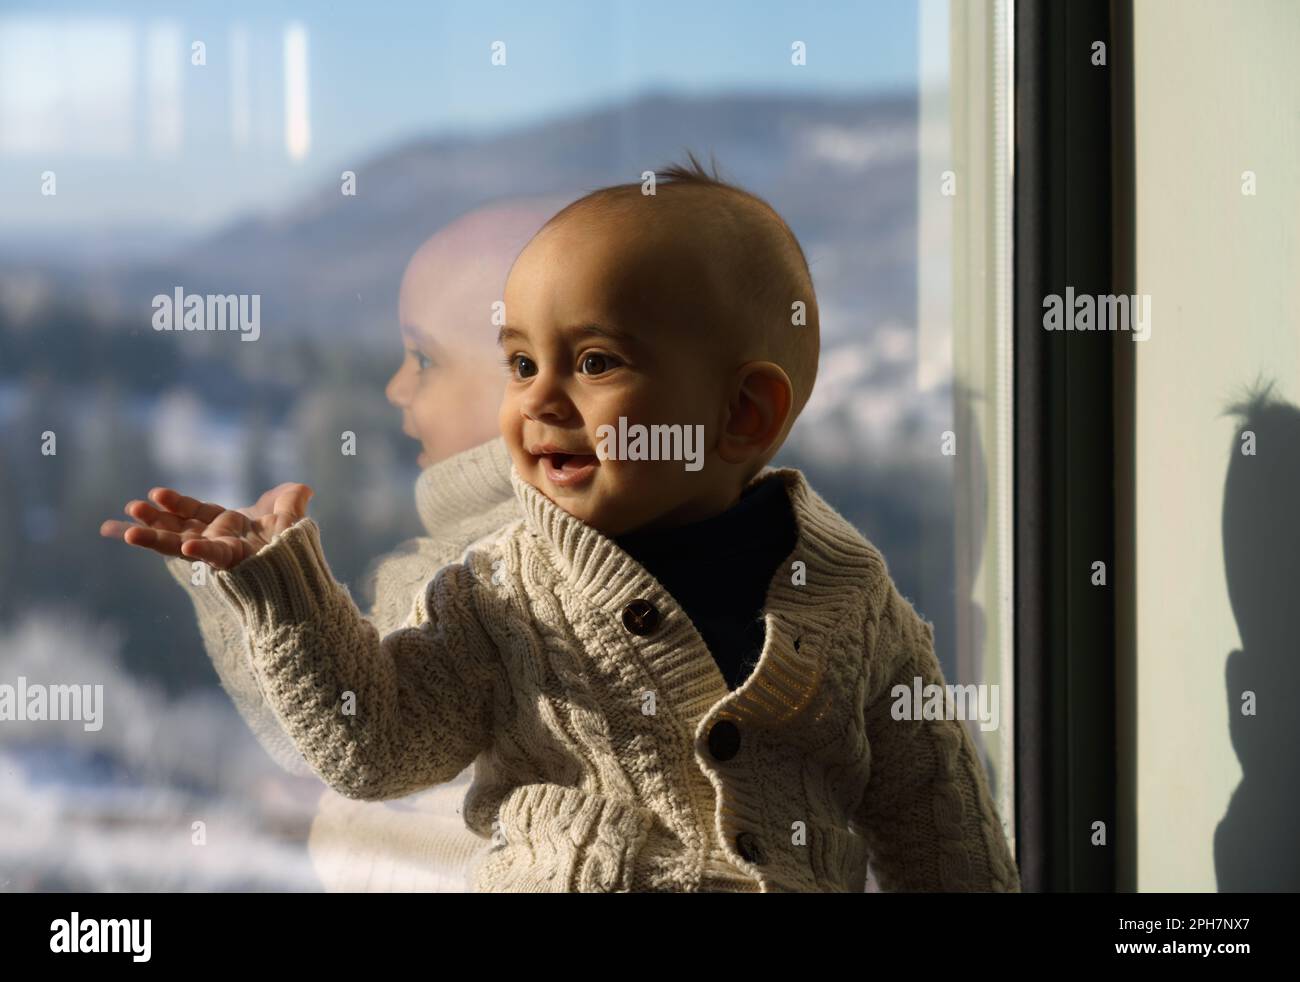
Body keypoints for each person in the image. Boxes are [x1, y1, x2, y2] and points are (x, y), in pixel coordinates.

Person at [102, 155, 1020, 891]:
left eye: (592, 360)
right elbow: (376, 748)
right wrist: (283, 592)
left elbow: (934, 816)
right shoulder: (499, 593)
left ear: (743, 415)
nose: (539, 398)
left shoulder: (853, 601)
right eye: (517, 362)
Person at [102, 196, 564, 890]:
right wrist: (251, 587)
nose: (395, 386)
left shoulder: (479, 575)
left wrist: (273, 591)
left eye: (424, 359)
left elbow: (339, 741)